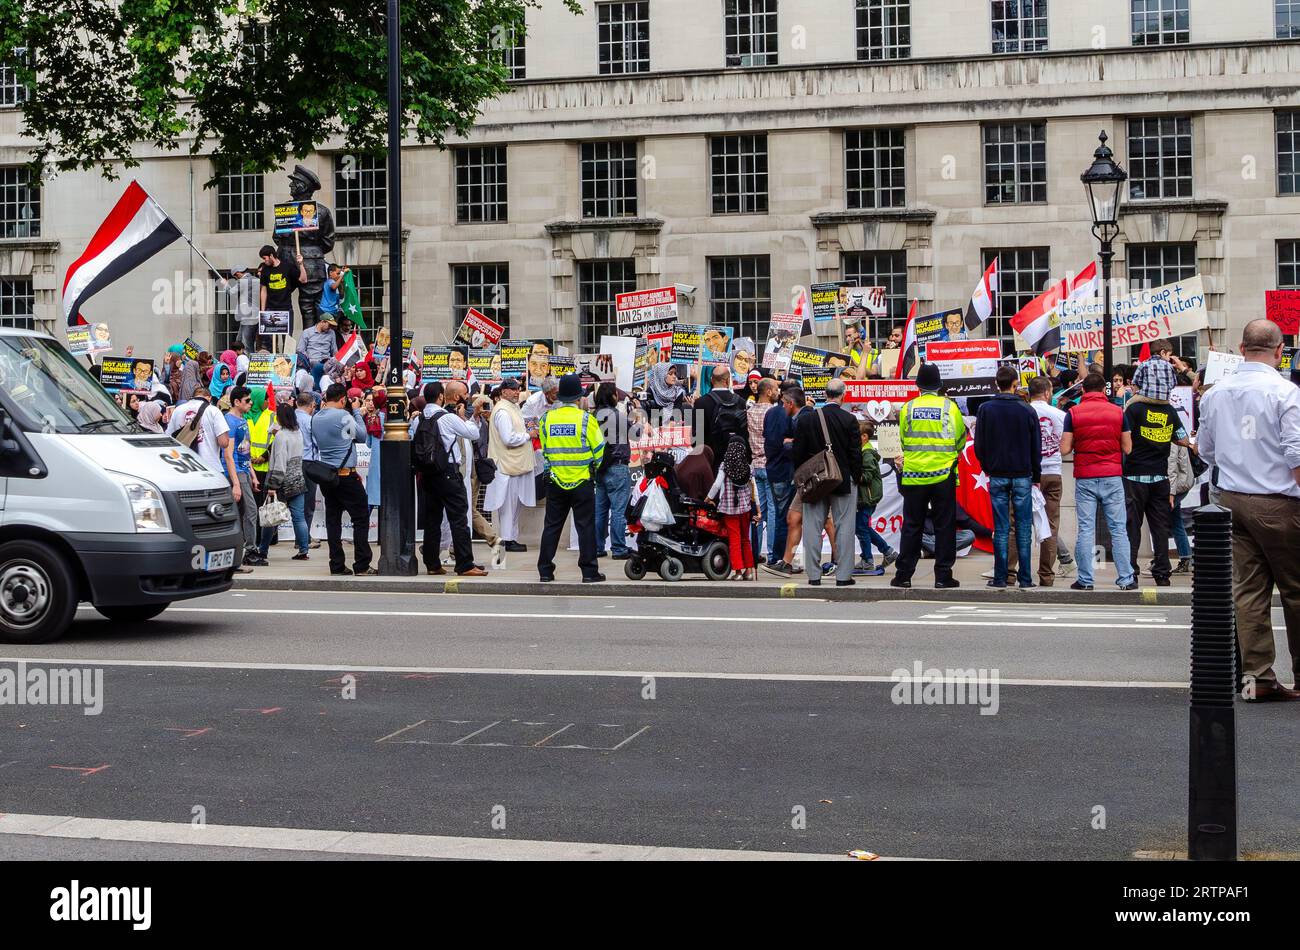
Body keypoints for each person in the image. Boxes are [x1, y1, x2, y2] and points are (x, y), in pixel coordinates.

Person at [1198, 319, 1300, 701]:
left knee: (1249, 590)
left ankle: (1257, 676)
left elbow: (1206, 451)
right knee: (1295, 590)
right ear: (1279, 351)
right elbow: (1296, 452)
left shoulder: (1214, 394)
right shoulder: (1285, 393)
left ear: (1242, 349)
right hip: (1280, 502)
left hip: (1232, 501)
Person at [1060, 372, 1136, 591]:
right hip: (1112, 475)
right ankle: (1125, 578)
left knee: (1085, 529)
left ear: (1083, 390)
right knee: (1119, 529)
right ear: (1105, 390)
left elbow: (1065, 448)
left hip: (1085, 476)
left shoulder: (1073, 413)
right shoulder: (1117, 412)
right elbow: (1127, 448)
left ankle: (1085, 580)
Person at [892, 363, 966, 590]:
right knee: (944, 526)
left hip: (914, 475)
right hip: (943, 474)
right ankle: (943, 576)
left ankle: (903, 575)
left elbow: (904, 440)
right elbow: (960, 439)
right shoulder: (949, 407)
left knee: (912, 525)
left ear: (918, 385)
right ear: (939, 385)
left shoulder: (908, 407)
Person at [1122, 351, 1190, 587]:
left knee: (1133, 525)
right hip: (1161, 476)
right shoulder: (1170, 411)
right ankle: (1162, 571)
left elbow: (1124, 440)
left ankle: (1130, 569)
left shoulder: (1133, 409)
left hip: (1134, 475)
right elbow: (1182, 439)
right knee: (1160, 526)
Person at [412, 380, 488, 577]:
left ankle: (432, 563)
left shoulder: (418, 419)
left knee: (432, 520)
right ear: (440, 397)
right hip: (447, 473)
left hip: (428, 475)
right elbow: (472, 433)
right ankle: (464, 564)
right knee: (459, 518)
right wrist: (471, 416)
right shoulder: (446, 418)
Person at [975, 365, 1041, 589]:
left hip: (997, 474)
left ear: (996, 383)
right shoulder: (1027, 410)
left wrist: (986, 466)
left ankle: (1001, 576)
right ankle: (1025, 578)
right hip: (1022, 473)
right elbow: (1036, 447)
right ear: (1015, 385)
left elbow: (979, 445)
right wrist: (1036, 473)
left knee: (1001, 528)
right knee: (1023, 528)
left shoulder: (985, 409)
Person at [792, 377, 862, 587]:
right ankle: (843, 575)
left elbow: (798, 453)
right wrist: (856, 478)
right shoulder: (849, 420)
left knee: (813, 527)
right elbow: (855, 455)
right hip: (842, 480)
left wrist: (803, 477)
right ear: (843, 395)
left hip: (815, 481)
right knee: (844, 528)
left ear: (824, 394)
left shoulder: (807, 419)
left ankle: (814, 575)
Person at [536, 373, 606, 583]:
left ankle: (545, 570)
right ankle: (589, 571)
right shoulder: (587, 420)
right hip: (582, 481)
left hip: (555, 481)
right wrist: (591, 469)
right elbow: (600, 451)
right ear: (578, 397)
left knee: (551, 526)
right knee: (585, 527)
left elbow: (545, 449)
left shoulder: (546, 419)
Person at [312, 383, 375, 576]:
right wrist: (356, 412)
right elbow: (362, 436)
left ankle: (337, 564)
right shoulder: (342, 415)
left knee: (333, 521)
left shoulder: (316, 417)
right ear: (343, 399)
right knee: (361, 518)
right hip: (347, 476)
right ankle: (362, 564)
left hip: (328, 476)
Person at [1023, 375, 1070, 586]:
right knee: (1051, 525)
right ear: (1048, 392)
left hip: (1027, 473)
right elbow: (1065, 446)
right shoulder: (1059, 414)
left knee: (1020, 524)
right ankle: (1046, 575)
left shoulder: (1024, 412)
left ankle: (1013, 573)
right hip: (1052, 472)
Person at [485, 377, 536, 552]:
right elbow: (508, 438)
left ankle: (511, 537)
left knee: (514, 505)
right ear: (504, 391)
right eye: (513, 389)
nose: (517, 392)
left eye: (518, 389)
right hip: (507, 466)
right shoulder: (503, 412)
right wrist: (529, 435)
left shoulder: (511, 408)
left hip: (514, 465)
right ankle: (507, 539)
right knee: (507, 506)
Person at [760, 385, 801, 576]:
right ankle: (780, 558)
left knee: (779, 514)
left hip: (773, 468)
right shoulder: (789, 415)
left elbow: (766, 437)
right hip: (785, 470)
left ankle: (779, 557)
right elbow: (788, 443)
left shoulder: (770, 413)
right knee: (786, 517)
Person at [263, 402, 310, 561]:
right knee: (299, 517)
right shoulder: (298, 433)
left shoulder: (281, 436)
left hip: (282, 483)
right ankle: (303, 550)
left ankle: (263, 550)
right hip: (298, 479)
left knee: (271, 518)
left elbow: (280, 463)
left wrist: (272, 486)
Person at [708, 434, 759, 580]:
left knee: (734, 541)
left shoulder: (724, 466)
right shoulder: (748, 467)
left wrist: (709, 498)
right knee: (745, 539)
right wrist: (759, 510)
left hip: (729, 509)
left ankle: (737, 572)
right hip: (745, 509)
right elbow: (754, 490)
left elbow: (717, 485)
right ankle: (749, 571)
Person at [592, 382, 632, 561]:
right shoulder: (617, 416)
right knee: (618, 510)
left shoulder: (593, 417)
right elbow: (635, 433)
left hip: (600, 468)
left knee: (600, 510)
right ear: (612, 396)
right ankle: (618, 548)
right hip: (617, 466)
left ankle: (598, 546)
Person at [223, 385, 262, 566]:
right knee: (251, 510)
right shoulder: (229, 421)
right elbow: (228, 454)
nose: (251, 403)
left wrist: (253, 475)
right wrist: (237, 483)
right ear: (236, 402)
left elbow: (245, 451)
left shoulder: (243, 420)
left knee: (243, 512)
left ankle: (242, 549)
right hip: (237, 471)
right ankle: (250, 550)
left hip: (244, 470)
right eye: (247, 400)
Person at [854, 417, 897, 575]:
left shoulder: (867, 454)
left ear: (864, 437)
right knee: (861, 527)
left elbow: (867, 476)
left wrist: (854, 475)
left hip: (867, 497)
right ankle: (886, 552)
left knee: (861, 527)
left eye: (855, 435)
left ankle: (869, 559)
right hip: (866, 497)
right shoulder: (865, 452)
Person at [466, 392, 502, 553]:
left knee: (468, 509)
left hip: (472, 469)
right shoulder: (479, 422)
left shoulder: (481, 424)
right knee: (467, 508)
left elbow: (474, 438)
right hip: (471, 469)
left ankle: (493, 538)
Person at [747, 378, 778, 561]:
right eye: (775, 389)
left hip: (755, 465)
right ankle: (773, 553)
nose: (777, 391)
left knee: (759, 512)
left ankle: (754, 551)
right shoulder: (773, 411)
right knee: (772, 510)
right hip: (769, 464)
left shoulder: (749, 411)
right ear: (767, 391)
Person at [258, 244, 308, 327]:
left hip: (286, 307)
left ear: (271, 255)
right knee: (270, 336)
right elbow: (263, 290)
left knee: (287, 337)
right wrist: (263, 311)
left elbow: (303, 280)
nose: (264, 261)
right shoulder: (265, 270)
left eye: (264, 258)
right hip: (270, 308)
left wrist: (301, 264)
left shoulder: (287, 266)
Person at [296, 391, 321, 547]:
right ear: (312, 405)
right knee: (308, 503)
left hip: (291, 462)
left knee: (292, 503)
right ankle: (303, 539)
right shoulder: (310, 421)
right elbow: (317, 442)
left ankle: (301, 537)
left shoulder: (287, 418)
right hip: (308, 463)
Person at [222, 266, 260, 352]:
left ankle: (248, 362)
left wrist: (225, 284)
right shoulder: (254, 279)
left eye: (235, 277)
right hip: (250, 315)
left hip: (249, 316)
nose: (236, 279)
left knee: (246, 342)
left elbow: (231, 292)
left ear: (238, 273)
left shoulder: (244, 281)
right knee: (239, 341)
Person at [297, 315, 338, 390]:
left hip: (327, 361)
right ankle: (316, 389)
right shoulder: (307, 332)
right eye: (329, 325)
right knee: (315, 365)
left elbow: (334, 350)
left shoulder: (331, 333)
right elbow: (300, 350)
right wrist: (308, 358)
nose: (330, 327)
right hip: (312, 360)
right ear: (322, 322)